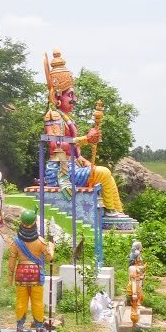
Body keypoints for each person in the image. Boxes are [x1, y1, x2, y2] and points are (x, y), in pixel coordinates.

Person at [42, 49, 125, 215]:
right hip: (60, 172)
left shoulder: (67, 118)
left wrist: (88, 164)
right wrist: (86, 139)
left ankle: (119, 212)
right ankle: (111, 212)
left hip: (72, 166)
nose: (75, 99)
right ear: (57, 97)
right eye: (70, 95)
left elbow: (76, 154)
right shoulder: (54, 115)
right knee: (104, 173)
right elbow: (55, 144)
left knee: (105, 174)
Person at [6, 209, 55, 332]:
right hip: (36, 275)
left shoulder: (16, 242)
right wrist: (52, 247)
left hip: (21, 275)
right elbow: (50, 258)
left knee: (21, 301)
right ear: (34, 223)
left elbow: (11, 262)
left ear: (21, 222)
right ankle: (39, 326)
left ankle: (20, 326)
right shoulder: (40, 242)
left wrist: (10, 278)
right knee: (37, 301)